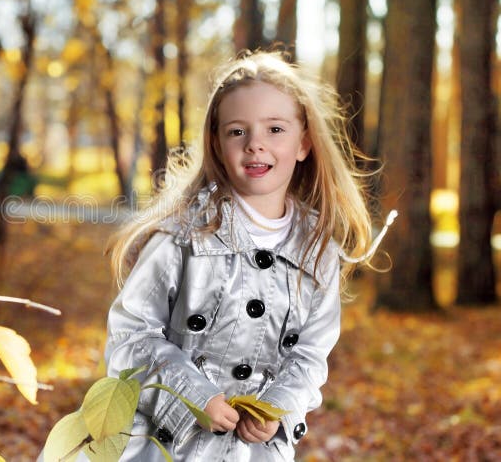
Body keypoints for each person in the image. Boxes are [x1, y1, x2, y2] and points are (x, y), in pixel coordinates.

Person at [104, 51, 391, 461]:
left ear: (304, 143)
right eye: (237, 132)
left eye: (275, 129)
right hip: (163, 445)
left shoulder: (318, 250)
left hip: (251, 452)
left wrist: (278, 409)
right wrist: (192, 396)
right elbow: (131, 336)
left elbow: (310, 356)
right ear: (218, 146)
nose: (256, 144)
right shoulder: (181, 237)